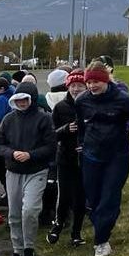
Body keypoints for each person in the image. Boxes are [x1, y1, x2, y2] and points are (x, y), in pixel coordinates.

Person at [75, 64, 129, 256]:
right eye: (89, 82)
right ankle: (101, 224)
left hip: (117, 155)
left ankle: (101, 240)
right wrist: (81, 144)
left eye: (96, 82)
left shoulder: (123, 100)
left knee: (109, 197)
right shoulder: (82, 101)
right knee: (93, 198)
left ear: (106, 80)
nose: (92, 86)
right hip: (91, 154)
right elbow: (81, 124)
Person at [0, 81, 56, 256]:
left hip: (36, 171)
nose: (21, 103)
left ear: (32, 99)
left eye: (25, 99)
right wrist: (11, 154)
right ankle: (17, 250)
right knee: (15, 213)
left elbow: (50, 147)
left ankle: (29, 247)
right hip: (13, 171)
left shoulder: (44, 119)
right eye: (18, 99)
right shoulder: (9, 119)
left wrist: (31, 155)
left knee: (30, 211)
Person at [46, 71, 88, 247]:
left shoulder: (90, 105)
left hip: (85, 158)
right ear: (67, 87)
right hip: (64, 157)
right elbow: (52, 135)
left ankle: (76, 232)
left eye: (79, 86)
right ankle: (58, 224)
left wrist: (87, 145)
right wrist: (65, 129)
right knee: (63, 195)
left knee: (80, 197)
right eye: (73, 86)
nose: (76, 89)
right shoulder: (61, 107)